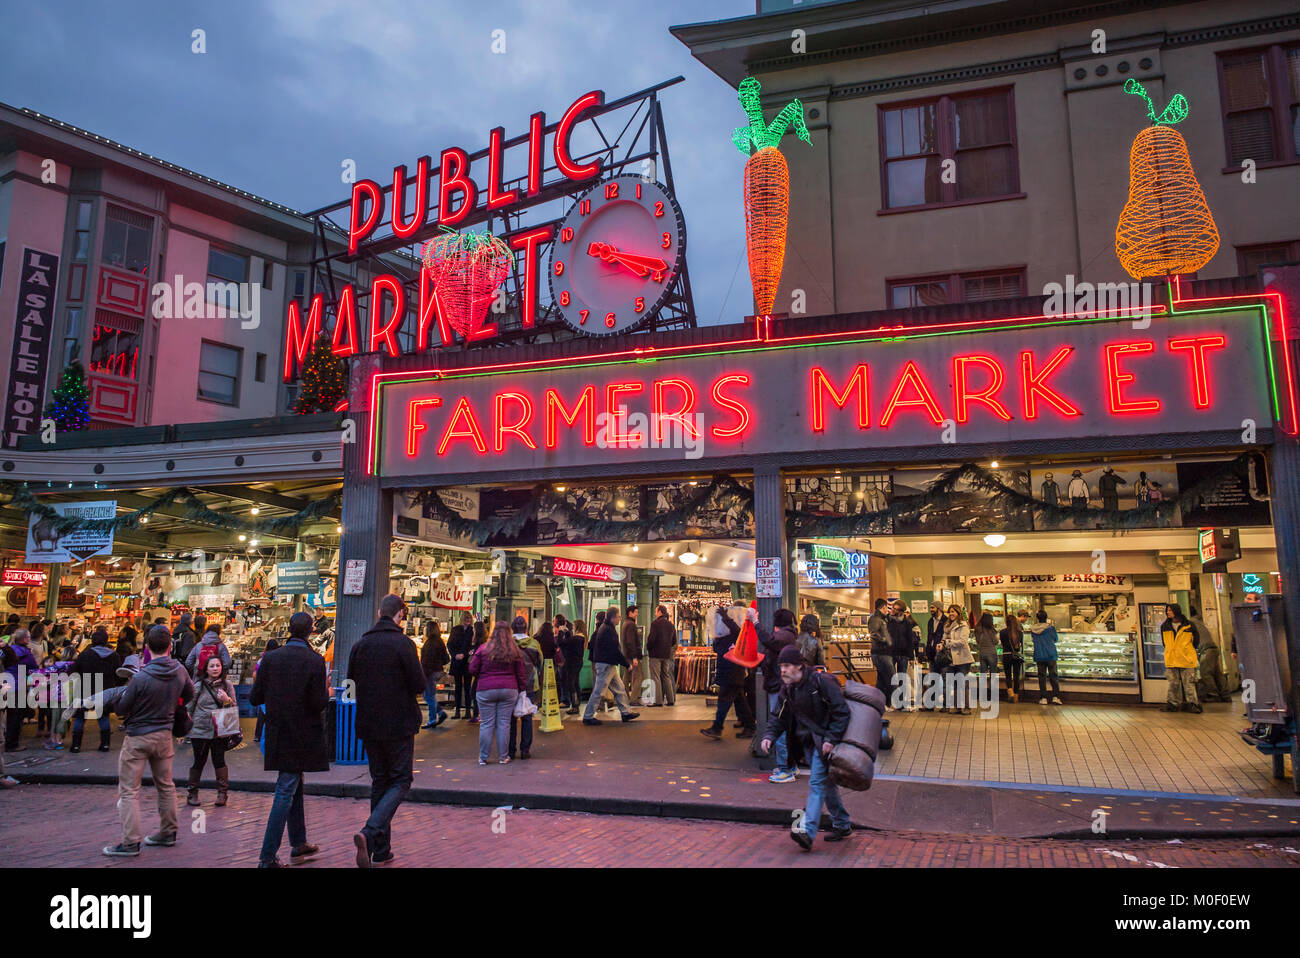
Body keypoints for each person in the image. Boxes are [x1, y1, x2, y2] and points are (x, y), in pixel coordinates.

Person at [102, 625, 195, 857]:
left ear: (146, 647)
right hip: (164, 733)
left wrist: (117, 700)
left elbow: (123, 708)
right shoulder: (180, 671)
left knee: (129, 790)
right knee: (165, 784)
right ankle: (168, 831)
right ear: (170, 646)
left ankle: (131, 841)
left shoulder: (140, 677)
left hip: (138, 736)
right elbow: (190, 694)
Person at [348, 594, 425, 868]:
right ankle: (370, 833)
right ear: (400, 615)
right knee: (401, 780)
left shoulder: (360, 645)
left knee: (380, 781)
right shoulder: (403, 645)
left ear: (380, 612)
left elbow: (351, 684)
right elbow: (418, 684)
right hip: (399, 723)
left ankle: (381, 850)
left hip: (369, 724)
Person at [250, 611, 329, 869]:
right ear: (311, 631)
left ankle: (299, 841)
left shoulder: (270, 659)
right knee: (286, 788)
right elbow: (318, 703)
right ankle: (267, 856)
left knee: (293, 783)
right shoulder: (315, 661)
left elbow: (254, 697)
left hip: (278, 731)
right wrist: (326, 691)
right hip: (303, 733)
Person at [761, 645, 852, 850]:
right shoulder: (788, 689)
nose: (782, 670)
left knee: (817, 783)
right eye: (781, 666)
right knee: (826, 784)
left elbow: (841, 711)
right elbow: (779, 717)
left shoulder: (821, 681)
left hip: (824, 742)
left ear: (799, 666)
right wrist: (769, 736)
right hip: (809, 744)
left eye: (787, 665)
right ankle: (842, 823)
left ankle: (807, 832)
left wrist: (831, 738)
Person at [469, 622, 529, 764]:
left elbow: (472, 669)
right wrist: (521, 690)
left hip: (485, 689)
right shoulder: (514, 650)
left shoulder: (483, 649)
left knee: (487, 724)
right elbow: (521, 674)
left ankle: (483, 757)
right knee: (504, 724)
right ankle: (503, 756)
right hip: (509, 690)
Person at [186, 653, 237, 807]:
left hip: (219, 730)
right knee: (199, 761)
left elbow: (233, 707)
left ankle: (222, 794)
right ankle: (192, 793)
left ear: (222, 668)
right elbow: (189, 708)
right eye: (212, 666)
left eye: (218, 665)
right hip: (200, 729)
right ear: (206, 669)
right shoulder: (198, 686)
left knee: (219, 760)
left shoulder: (227, 685)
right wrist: (185, 729)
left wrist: (226, 700)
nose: (215, 668)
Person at [700, 604, 755, 740]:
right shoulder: (722, 637)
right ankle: (750, 726)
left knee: (724, 700)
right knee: (740, 700)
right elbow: (717, 649)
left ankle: (717, 728)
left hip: (732, 672)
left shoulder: (734, 634)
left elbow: (736, 630)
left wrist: (726, 618)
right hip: (730, 671)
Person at [758, 608, 798, 783]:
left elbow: (770, 642)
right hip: (781, 685)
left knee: (780, 726)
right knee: (784, 725)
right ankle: (790, 765)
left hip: (779, 686)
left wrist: (755, 623)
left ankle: (785, 769)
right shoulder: (789, 636)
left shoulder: (785, 636)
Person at [582, 606, 639, 725]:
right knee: (599, 691)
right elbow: (615, 650)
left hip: (608, 665)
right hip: (606, 665)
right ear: (613, 618)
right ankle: (588, 716)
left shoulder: (606, 628)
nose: (619, 619)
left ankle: (625, 712)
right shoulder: (608, 630)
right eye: (618, 617)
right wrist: (626, 663)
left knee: (620, 689)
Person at [71, 627, 120, 753]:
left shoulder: (85, 654)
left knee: (80, 716)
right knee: (103, 716)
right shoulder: (114, 656)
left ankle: (76, 745)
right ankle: (105, 744)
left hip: (85, 687)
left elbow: (74, 670)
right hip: (105, 688)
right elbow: (118, 673)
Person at [509, 617, 543, 760]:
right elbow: (540, 664)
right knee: (527, 717)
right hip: (530, 683)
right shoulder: (534, 644)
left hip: (510, 684)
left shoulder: (508, 643)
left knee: (510, 718)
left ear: (512, 628)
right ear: (526, 628)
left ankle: (510, 750)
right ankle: (525, 750)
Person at [1161, 604, 1201, 714]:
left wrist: (1186, 650)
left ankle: (1193, 704)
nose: (1168, 612)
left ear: (1176, 611)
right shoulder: (1165, 626)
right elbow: (1165, 643)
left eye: (1170, 610)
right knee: (1173, 683)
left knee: (1189, 683)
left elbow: (1196, 641)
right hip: (1171, 659)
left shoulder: (1189, 625)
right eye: (1167, 610)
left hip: (1186, 659)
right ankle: (1172, 704)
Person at [3, 629, 37, 751]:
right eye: (28, 637)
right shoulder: (25, 652)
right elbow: (33, 666)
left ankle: (5, 739)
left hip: (5, 683)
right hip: (18, 685)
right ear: (24, 639)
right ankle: (12, 744)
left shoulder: (8, 649)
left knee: (5, 716)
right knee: (15, 717)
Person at [1190, 605, 1229, 703]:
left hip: (1206, 650)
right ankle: (1225, 695)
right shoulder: (1199, 621)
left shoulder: (1191, 623)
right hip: (1212, 648)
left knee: (1205, 673)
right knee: (1217, 673)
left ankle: (1213, 694)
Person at [939, 604, 973, 713]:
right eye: (950, 612)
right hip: (951, 659)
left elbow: (963, 642)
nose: (951, 614)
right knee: (954, 683)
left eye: (953, 611)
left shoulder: (963, 626)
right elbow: (944, 640)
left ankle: (967, 707)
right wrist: (941, 644)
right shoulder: (947, 626)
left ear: (958, 613)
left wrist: (948, 643)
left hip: (963, 659)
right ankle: (957, 707)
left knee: (963, 682)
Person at [1027, 610, 1063, 706]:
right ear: (1046, 618)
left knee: (1042, 678)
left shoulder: (1033, 629)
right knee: (1053, 677)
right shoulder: (1050, 628)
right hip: (1051, 655)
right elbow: (1055, 639)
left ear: (1037, 618)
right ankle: (1056, 697)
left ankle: (1043, 698)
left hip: (1039, 655)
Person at [419, 621, 450, 729]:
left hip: (429, 672)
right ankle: (441, 713)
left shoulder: (429, 644)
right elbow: (446, 659)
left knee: (429, 696)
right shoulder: (440, 641)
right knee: (428, 695)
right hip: (437, 671)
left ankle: (432, 719)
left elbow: (425, 661)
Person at [646, 605, 678, 708]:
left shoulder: (655, 624)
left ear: (659, 612)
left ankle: (658, 701)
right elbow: (674, 641)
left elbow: (651, 640)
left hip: (655, 654)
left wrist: (648, 647)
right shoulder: (671, 625)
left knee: (655, 677)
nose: (655, 614)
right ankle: (671, 699)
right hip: (666, 655)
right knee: (666, 676)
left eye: (656, 611)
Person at [447, 612, 475, 719]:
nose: (467, 620)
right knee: (458, 687)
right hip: (457, 662)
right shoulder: (455, 630)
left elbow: (473, 646)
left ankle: (468, 710)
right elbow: (449, 644)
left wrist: (466, 653)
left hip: (467, 662)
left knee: (468, 687)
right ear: (462, 618)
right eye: (466, 618)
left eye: (469, 618)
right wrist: (455, 655)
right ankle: (457, 710)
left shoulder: (472, 631)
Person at [867, 598, 894, 704]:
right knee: (890, 678)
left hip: (882, 652)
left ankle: (880, 702)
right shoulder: (876, 618)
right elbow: (874, 633)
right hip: (881, 652)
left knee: (882, 679)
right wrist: (886, 641)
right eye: (886, 607)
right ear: (883, 607)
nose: (887, 610)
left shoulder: (881, 618)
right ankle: (891, 702)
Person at [252, 638, 279, 743]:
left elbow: (255, 674)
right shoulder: (279, 659)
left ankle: (257, 735)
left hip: (264, 689)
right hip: (274, 689)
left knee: (262, 713)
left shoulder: (262, 659)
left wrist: (258, 685)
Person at [559, 617, 586, 715]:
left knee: (571, 683)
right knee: (576, 682)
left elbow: (562, 643)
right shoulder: (581, 638)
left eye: (574, 626)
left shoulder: (576, 638)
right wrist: (567, 633)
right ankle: (577, 702)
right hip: (578, 662)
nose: (573, 628)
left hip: (572, 663)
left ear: (577, 627)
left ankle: (575, 705)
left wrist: (561, 632)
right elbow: (569, 642)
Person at [999, 611, 1025, 703]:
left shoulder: (1002, 632)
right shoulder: (1019, 632)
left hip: (1006, 655)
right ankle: (1016, 696)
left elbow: (1002, 644)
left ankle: (1010, 692)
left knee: (1008, 675)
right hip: (1016, 657)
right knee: (1016, 676)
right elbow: (1021, 645)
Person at [620, 605, 643, 703]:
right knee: (638, 677)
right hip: (631, 656)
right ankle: (634, 699)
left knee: (626, 677)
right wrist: (634, 657)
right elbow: (631, 642)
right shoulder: (631, 625)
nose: (637, 614)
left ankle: (624, 698)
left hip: (626, 655)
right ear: (630, 613)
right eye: (635, 612)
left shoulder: (625, 623)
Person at [466, 620, 486, 724]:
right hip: (483, 671)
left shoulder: (478, 642)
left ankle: (476, 714)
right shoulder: (484, 641)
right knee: (475, 692)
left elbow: (478, 656)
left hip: (480, 672)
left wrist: (472, 655)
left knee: (474, 693)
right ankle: (476, 714)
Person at [974, 612, 1000, 683]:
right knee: (993, 674)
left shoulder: (978, 629)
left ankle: (983, 692)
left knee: (983, 673)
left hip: (982, 653)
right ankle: (993, 692)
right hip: (991, 653)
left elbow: (978, 641)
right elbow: (995, 641)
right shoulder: (990, 630)